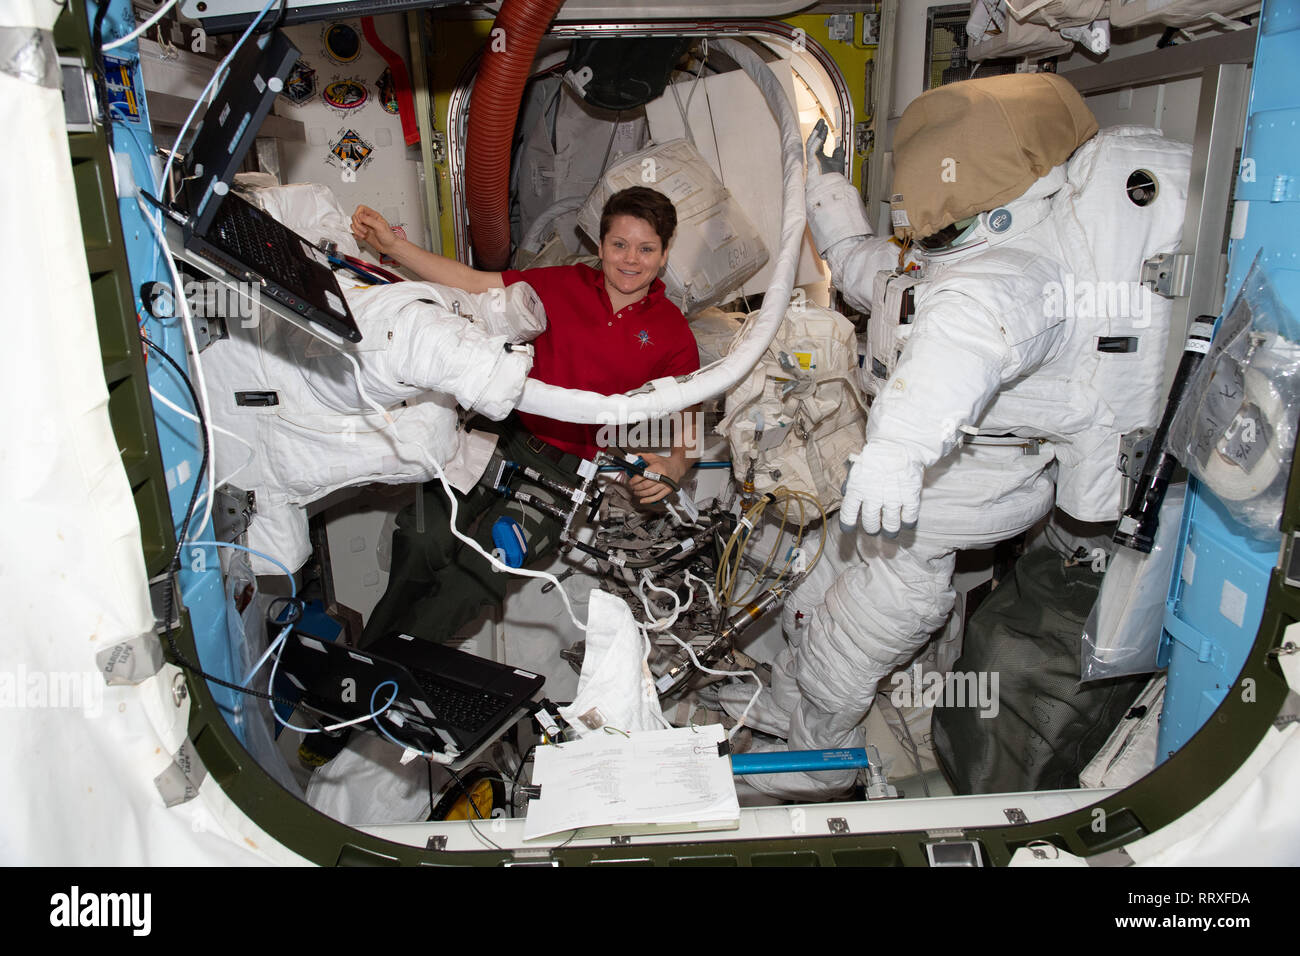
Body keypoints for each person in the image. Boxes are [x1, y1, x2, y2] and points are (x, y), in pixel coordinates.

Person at [730, 73, 1188, 799]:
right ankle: (788, 720)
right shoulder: (950, 258)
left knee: (838, 656)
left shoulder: (1015, 277)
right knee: (806, 607)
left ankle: (814, 776)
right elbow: (862, 268)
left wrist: (897, 452)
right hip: (885, 504)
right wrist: (824, 190)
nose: (928, 234)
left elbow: (962, 345)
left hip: (934, 513)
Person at [350, 187, 702, 650]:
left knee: (477, 579)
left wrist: (675, 466)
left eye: (646, 248)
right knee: (420, 539)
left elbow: (690, 415)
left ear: (664, 253)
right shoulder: (563, 283)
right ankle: (369, 660)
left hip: (563, 471)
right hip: (498, 438)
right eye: (619, 244)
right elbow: (473, 283)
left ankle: (390, 675)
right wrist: (394, 248)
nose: (630, 259)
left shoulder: (672, 331)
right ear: (600, 246)